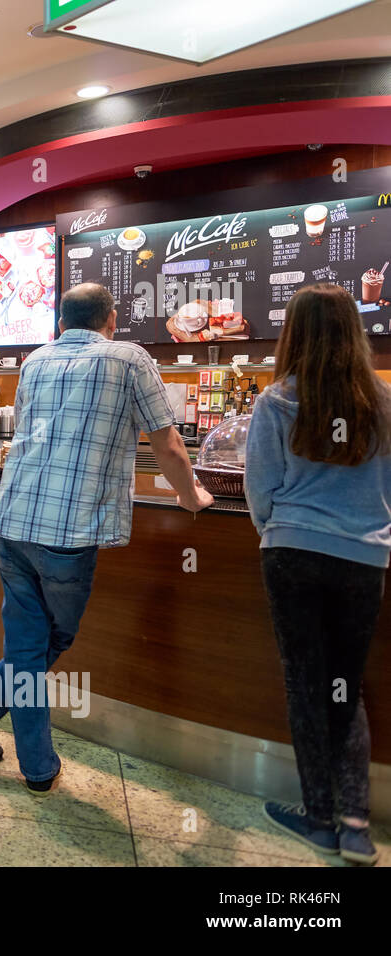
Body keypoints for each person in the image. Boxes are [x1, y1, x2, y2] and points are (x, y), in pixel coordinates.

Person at [0, 282, 212, 793]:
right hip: (64, 533)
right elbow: (169, 443)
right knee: (51, 639)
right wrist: (191, 495)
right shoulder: (129, 358)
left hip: (10, 522)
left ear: (61, 323)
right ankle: (35, 767)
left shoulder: (35, 361)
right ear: (111, 319)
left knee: (28, 643)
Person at [244, 284, 391, 865]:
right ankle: (357, 825)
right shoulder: (383, 402)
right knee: (344, 687)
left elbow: (260, 490)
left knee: (307, 684)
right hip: (364, 561)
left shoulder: (278, 400)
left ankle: (319, 817)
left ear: (293, 333)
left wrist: (276, 532)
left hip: (293, 555)